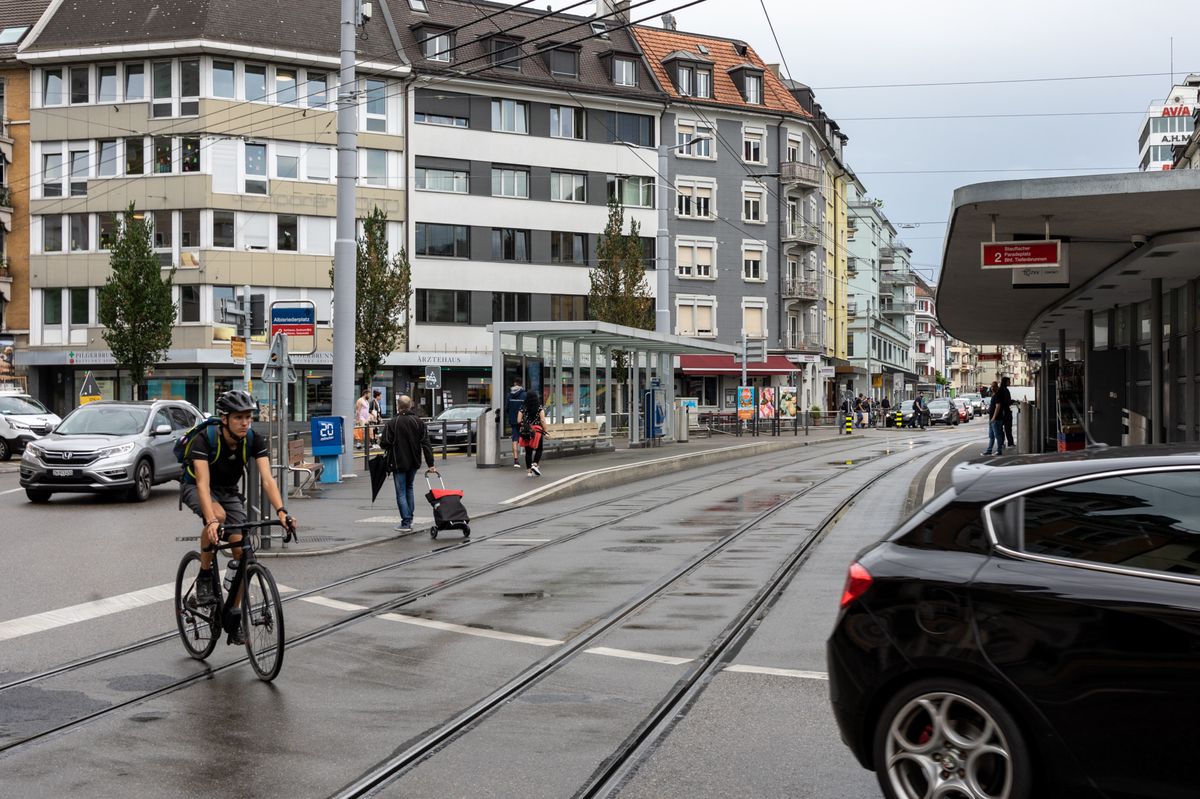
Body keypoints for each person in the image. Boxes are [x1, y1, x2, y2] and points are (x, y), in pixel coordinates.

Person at [182, 390, 296, 644]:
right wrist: (211, 520)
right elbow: (202, 483)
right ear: (224, 419)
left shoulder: (253, 439)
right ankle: (203, 575)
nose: (245, 423)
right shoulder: (205, 440)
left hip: (228, 491)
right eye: (238, 418)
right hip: (196, 487)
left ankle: (233, 617)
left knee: (245, 555)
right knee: (219, 516)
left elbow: (267, 479)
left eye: (248, 417)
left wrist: (281, 510)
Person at [380, 394, 436, 533]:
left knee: (400, 493)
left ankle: (405, 523)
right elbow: (426, 443)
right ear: (411, 405)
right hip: (414, 461)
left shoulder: (393, 422)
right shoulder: (419, 422)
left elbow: (384, 443)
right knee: (409, 488)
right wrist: (431, 463)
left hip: (398, 462)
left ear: (398, 406)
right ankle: (409, 519)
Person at [517, 388, 547, 477]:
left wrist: (525, 423)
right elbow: (542, 420)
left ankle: (529, 472)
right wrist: (545, 431)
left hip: (527, 431)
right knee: (539, 449)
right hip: (537, 430)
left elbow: (518, 420)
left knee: (528, 451)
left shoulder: (523, 407)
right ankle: (535, 464)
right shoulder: (539, 408)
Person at [505, 378, 527, 468]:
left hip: (513, 420)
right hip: (523, 421)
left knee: (515, 439)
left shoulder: (509, 395)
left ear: (514, 384)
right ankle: (528, 459)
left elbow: (506, 408)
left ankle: (516, 460)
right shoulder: (524, 395)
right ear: (521, 384)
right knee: (526, 437)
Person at [982, 380, 1006, 456]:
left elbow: (998, 407)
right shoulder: (994, 395)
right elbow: (993, 406)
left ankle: (999, 451)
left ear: (996, 387)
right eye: (991, 386)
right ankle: (989, 450)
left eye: (993, 386)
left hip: (996, 419)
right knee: (991, 436)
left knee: (997, 435)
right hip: (992, 419)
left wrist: (994, 417)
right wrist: (989, 410)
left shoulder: (998, 395)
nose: (992, 388)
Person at [998, 376, 1016, 448]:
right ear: (1005, 382)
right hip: (1006, 412)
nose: (1010, 382)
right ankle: (1010, 443)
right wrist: (1013, 401)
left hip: (1002, 412)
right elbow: (1006, 401)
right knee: (1008, 428)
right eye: (1009, 381)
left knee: (1001, 429)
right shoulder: (1005, 390)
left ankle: (1002, 443)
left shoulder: (1001, 390)